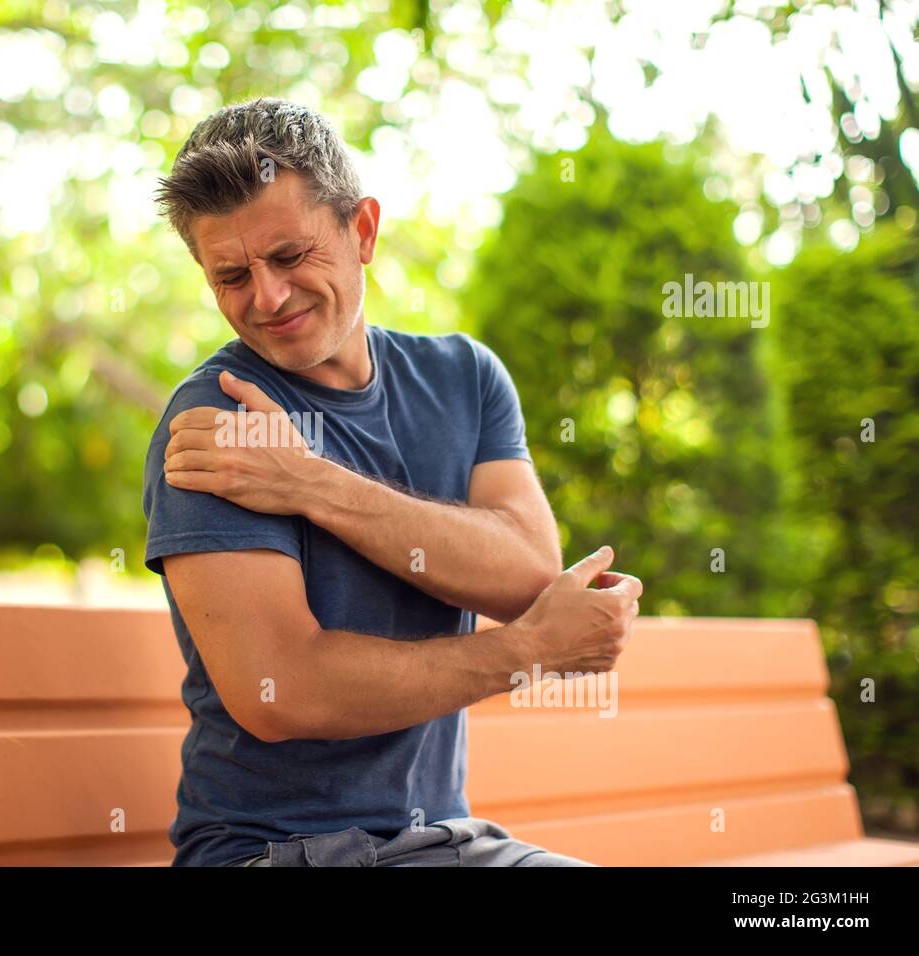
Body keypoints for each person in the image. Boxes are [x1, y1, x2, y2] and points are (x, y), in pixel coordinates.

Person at [143, 98, 641, 867]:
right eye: (232, 275)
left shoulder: (464, 377)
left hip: (445, 841)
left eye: (289, 256)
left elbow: (528, 576)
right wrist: (527, 652)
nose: (266, 298)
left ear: (362, 231)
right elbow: (283, 691)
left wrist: (315, 485)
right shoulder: (219, 418)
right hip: (272, 853)